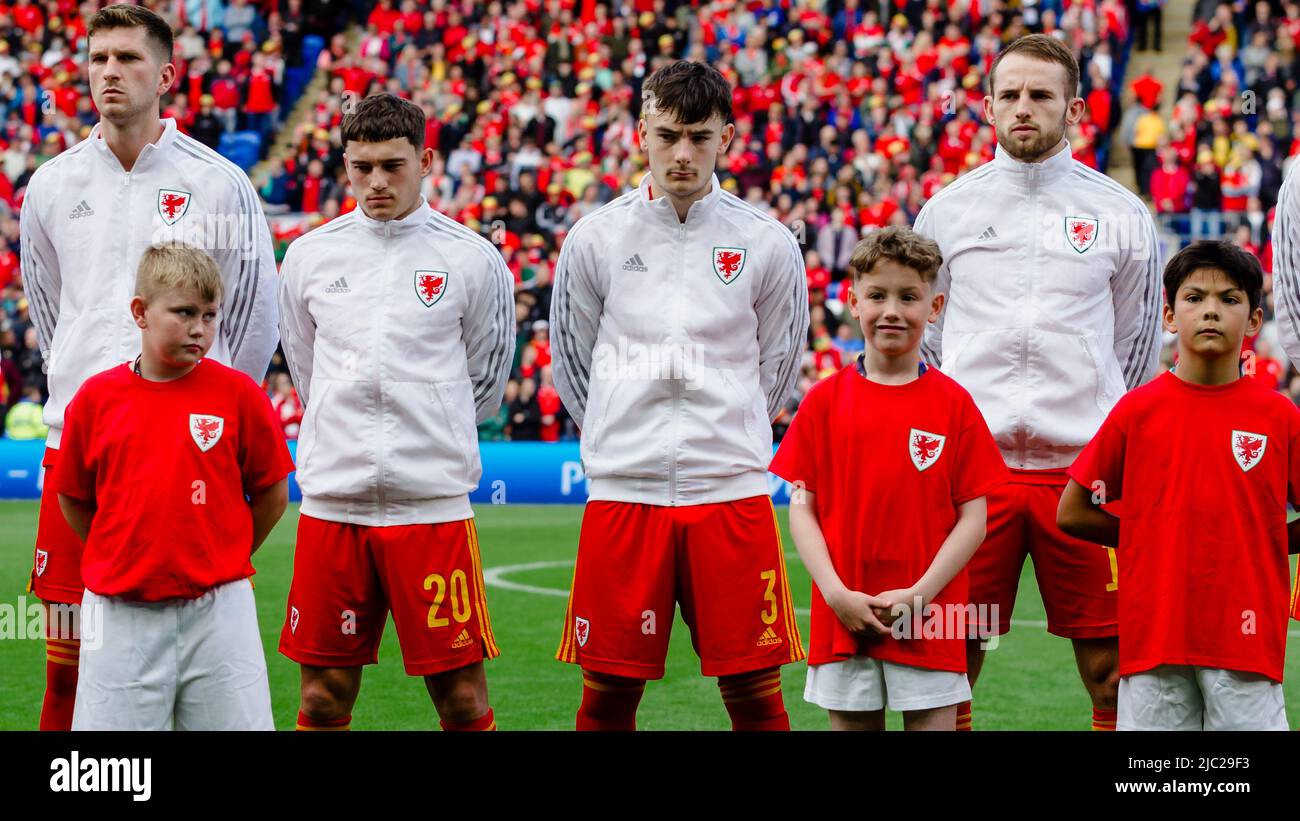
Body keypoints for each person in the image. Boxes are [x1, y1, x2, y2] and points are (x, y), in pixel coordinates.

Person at [19, 3, 279, 731]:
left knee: (201, 669)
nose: (110, 72)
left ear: (165, 76)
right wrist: (87, 398)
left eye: (129, 58)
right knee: (67, 665)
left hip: (188, 447)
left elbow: (253, 318)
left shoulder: (220, 183)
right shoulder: (52, 185)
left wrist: (208, 411)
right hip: (80, 446)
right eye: (99, 58)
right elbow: (53, 315)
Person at [912, 34, 1162, 731]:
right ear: (988, 106)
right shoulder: (947, 210)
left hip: (1084, 477)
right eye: (1011, 95)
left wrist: (1097, 426)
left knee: (1114, 668)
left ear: (1074, 108)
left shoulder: (1121, 213)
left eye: (1041, 95)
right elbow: (932, 336)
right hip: (974, 477)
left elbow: (1135, 344)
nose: (1024, 107)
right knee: (950, 662)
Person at [550, 60, 809, 731]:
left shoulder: (767, 241)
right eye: (667, 135)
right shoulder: (595, 237)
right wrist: (618, 433)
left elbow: (779, 366)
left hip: (730, 492)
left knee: (756, 693)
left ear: (728, 137)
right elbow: (572, 363)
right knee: (606, 693)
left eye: (699, 136)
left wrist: (730, 432)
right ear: (642, 134)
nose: (683, 153)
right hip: (624, 492)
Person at [277, 93, 514, 732]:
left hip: (430, 508)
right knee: (321, 698)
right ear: (345, 166)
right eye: (362, 167)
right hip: (334, 505)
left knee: (461, 699)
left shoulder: (473, 258)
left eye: (392, 165)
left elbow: (485, 383)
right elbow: (306, 369)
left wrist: (430, 428)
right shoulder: (309, 256)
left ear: (426, 161)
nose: (376, 181)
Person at [770, 227, 1006, 731]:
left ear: (935, 306)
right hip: (844, 613)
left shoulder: (955, 404)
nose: (892, 311)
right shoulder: (823, 402)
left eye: (908, 297)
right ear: (854, 302)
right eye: (877, 296)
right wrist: (835, 593)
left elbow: (974, 519)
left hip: (931, 615)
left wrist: (921, 594)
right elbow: (802, 509)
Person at [49, 244, 293, 730]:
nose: (200, 328)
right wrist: (124, 550)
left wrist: (221, 552)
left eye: (209, 315)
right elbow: (72, 496)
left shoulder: (240, 394)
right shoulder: (95, 399)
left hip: (219, 609)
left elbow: (272, 494)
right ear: (140, 312)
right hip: (120, 613)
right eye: (183, 312)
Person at [1058, 241, 1297, 730]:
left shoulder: (1280, 416)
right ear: (1169, 315)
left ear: (1254, 320)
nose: (1211, 310)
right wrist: (1150, 534)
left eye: (1229, 299)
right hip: (1157, 635)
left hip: (1246, 635)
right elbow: (1073, 510)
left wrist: (1265, 540)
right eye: (1194, 298)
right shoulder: (1137, 411)